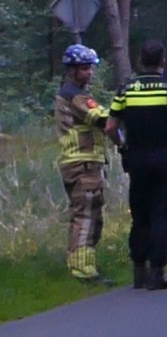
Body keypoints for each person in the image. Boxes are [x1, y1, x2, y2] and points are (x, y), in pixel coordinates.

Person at [105, 41, 167, 290]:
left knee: (140, 215)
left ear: (140, 60)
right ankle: (156, 272)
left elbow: (110, 127)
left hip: (137, 160)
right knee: (162, 215)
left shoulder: (126, 90)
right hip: (166, 160)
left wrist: (122, 145)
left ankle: (138, 270)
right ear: (162, 61)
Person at [54, 44, 112, 283]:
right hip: (82, 164)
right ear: (72, 70)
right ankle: (83, 271)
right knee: (86, 216)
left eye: (91, 68)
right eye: (85, 68)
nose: (90, 72)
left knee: (90, 214)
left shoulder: (75, 93)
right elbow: (101, 119)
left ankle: (82, 265)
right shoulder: (74, 95)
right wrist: (124, 110)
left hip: (83, 163)